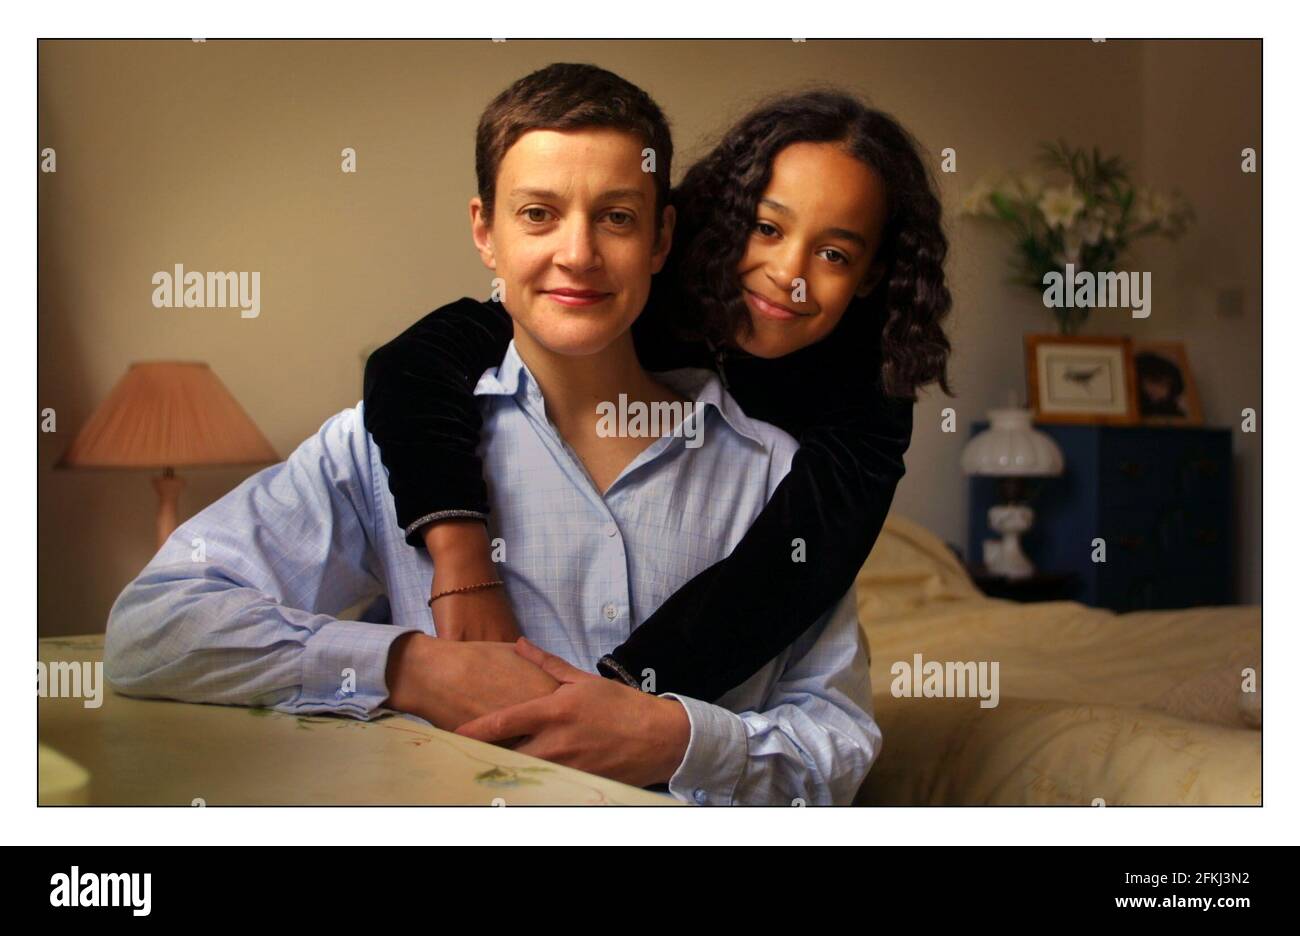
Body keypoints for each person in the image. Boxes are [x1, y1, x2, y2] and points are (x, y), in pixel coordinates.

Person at [105, 63, 881, 805]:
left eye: (615, 217)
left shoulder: (778, 478)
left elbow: (839, 741)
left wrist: (676, 740)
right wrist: (409, 667)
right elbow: (153, 629)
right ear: (486, 232)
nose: (576, 254)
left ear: (661, 239)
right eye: (538, 214)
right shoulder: (381, 446)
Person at [364, 74, 952, 703]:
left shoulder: (870, 401)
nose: (790, 276)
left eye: (834, 255)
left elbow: (784, 574)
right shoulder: (637, 282)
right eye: (767, 228)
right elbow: (411, 362)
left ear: (872, 277)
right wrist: (463, 561)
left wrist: (621, 700)